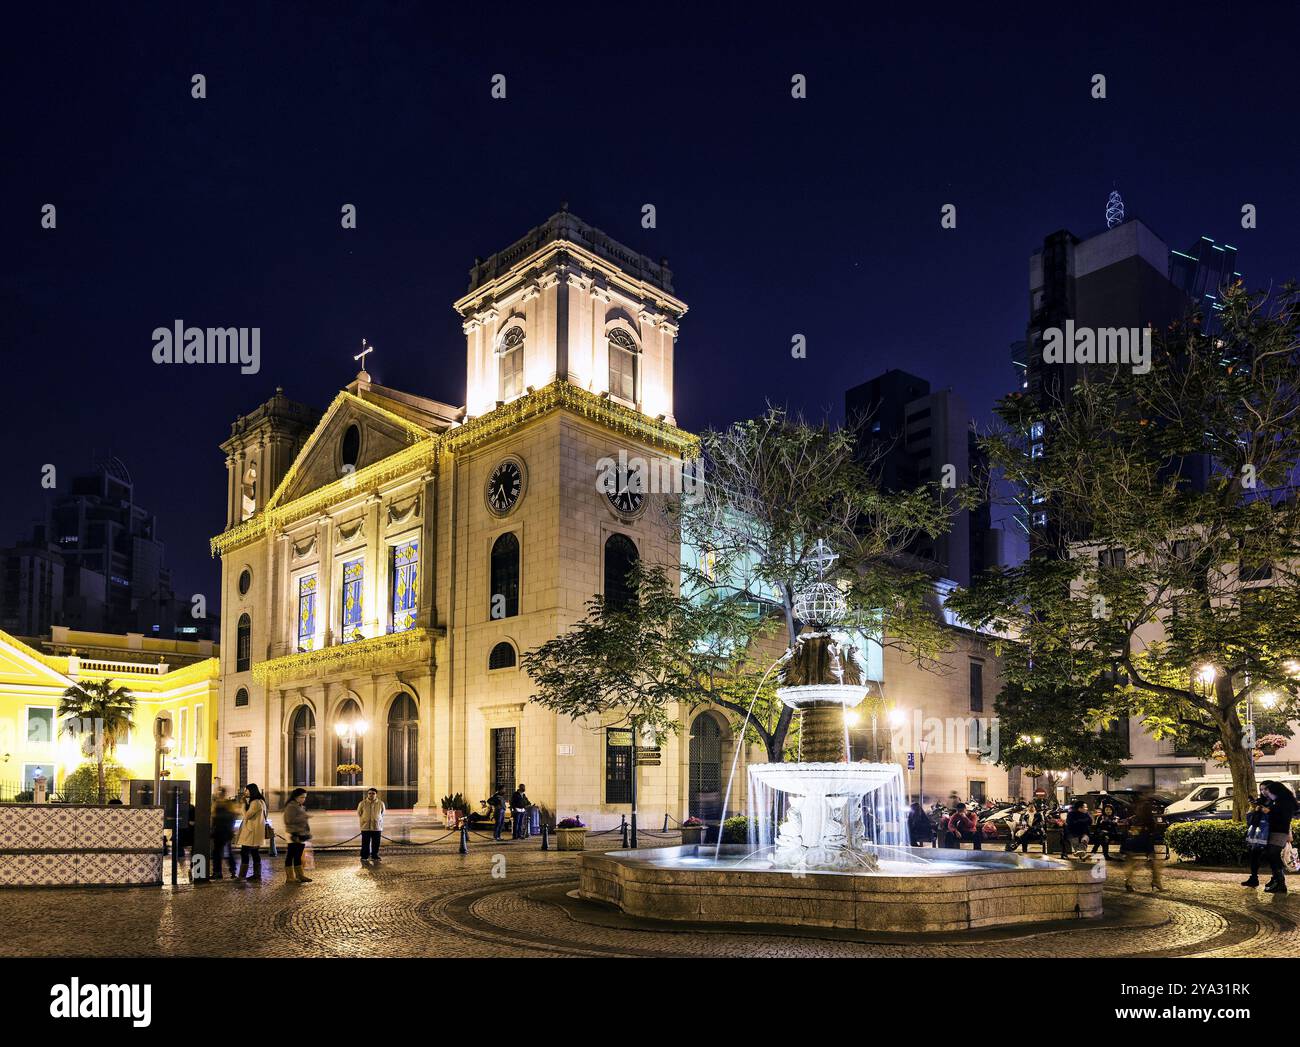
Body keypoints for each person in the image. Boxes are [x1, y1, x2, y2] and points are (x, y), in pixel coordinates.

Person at [1254, 780, 1296, 893]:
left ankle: (1280, 883)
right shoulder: (1280, 801)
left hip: (1280, 833)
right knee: (1272, 856)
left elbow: (1283, 818)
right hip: (1276, 832)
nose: (1268, 795)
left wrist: (1269, 812)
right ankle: (1278, 882)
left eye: (1269, 792)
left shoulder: (1284, 802)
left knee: (1273, 855)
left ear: (1276, 792)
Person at [1121, 795, 1163, 892]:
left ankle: (1128, 881)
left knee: (1130, 858)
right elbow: (1150, 821)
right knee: (1153, 858)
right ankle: (1156, 881)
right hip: (1144, 834)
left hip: (1133, 834)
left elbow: (1129, 820)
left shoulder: (1131, 806)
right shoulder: (1146, 806)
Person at [235, 784, 269, 882]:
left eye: (246, 790)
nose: (245, 792)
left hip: (251, 833)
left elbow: (246, 815)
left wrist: (243, 804)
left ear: (251, 791)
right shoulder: (261, 801)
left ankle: (242, 876)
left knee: (244, 852)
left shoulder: (255, 803)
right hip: (255, 832)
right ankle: (257, 875)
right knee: (254, 853)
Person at [281, 788, 312, 883]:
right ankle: (290, 877)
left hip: (301, 833)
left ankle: (300, 875)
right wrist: (304, 816)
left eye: (305, 797)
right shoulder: (291, 806)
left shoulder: (299, 806)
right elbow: (288, 820)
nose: (303, 799)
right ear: (295, 797)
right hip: (293, 833)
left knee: (298, 855)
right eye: (301, 797)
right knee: (291, 855)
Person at [1242, 796, 1271, 888]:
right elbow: (1250, 822)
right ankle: (1253, 878)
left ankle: (1277, 880)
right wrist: (1252, 811)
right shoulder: (1257, 809)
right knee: (1254, 857)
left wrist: (1267, 812)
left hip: (1269, 837)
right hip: (1257, 838)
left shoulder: (1273, 804)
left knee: (1273, 859)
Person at [210, 787, 237, 880]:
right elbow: (233, 818)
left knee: (219, 852)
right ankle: (231, 871)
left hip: (221, 831)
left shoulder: (217, 804)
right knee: (225, 852)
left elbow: (213, 817)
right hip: (225, 831)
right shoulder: (228, 804)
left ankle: (218, 872)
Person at [357, 787, 386, 864]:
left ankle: (374, 855)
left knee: (376, 843)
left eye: (373, 793)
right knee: (365, 842)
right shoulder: (362, 803)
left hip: (377, 827)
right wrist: (364, 820)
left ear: (376, 794)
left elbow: (382, 813)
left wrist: (377, 819)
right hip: (365, 827)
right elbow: (359, 813)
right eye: (370, 793)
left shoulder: (381, 803)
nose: (371, 795)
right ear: (367, 794)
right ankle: (364, 856)